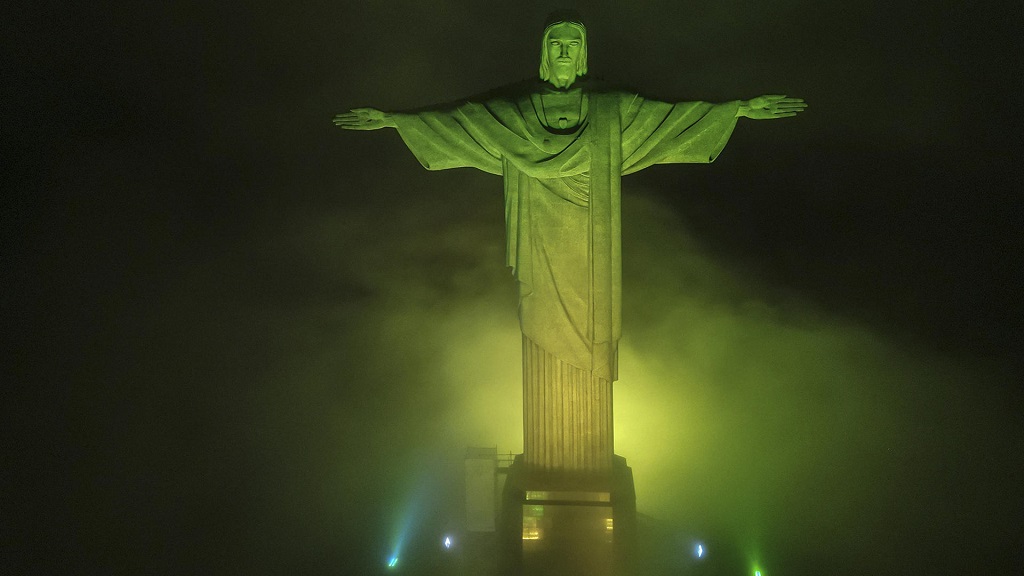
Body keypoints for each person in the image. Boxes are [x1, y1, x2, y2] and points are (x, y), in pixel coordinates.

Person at [334, 12, 806, 473]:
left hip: (592, 239)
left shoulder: (610, 108)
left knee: (590, 325)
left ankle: (583, 460)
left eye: (572, 44)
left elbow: (672, 119)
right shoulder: (516, 110)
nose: (564, 51)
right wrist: (395, 120)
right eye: (556, 43)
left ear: (583, 54)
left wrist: (739, 109)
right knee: (540, 319)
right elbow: (459, 122)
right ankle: (550, 460)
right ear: (544, 52)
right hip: (540, 234)